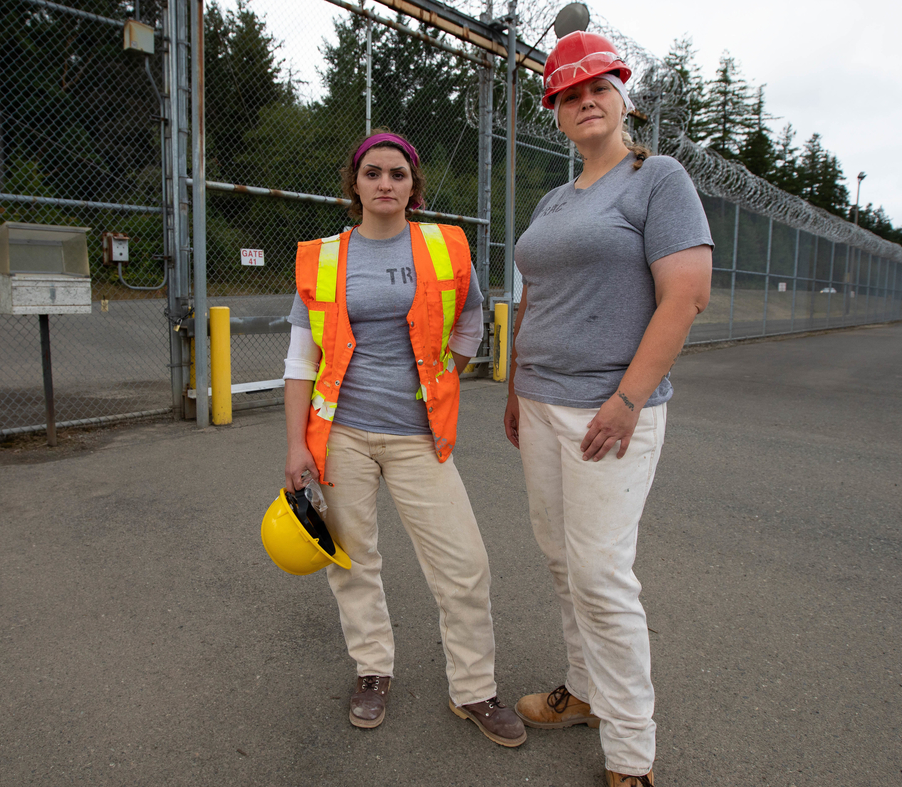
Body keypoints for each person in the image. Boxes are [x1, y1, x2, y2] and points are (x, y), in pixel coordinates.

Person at [503, 32, 714, 787]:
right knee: (563, 560)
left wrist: (627, 400)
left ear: (624, 95)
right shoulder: (557, 198)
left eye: (598, 86)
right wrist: (514, 384)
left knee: (600, 571)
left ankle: (632, 753)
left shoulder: (657, 180)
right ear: (555, 112)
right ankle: (585, 690)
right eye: (567, 93)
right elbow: (536, 296)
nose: (583, 100)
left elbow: (685, 295)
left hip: (610, 408)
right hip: (542, 399)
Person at [282, 129, 526, 747]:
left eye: (397, 174)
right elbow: (299, 360)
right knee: (354, 560)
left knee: (464, 565)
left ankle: (474, 689)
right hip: (343, 436)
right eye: (373, 174)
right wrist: (295, 447)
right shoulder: (324, 257)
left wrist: (449, 373)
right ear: (355, 183)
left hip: (419, 435)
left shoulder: (445, 246)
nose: (385, 184)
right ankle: (372, 671)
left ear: (413, 186)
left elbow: (471, 317)